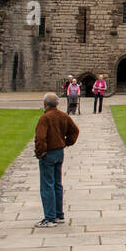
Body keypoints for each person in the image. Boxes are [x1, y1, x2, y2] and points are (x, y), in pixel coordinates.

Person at [34, 92, 78, 227]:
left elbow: (41, 138)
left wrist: (40, 152)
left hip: (49, 153)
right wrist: (66, 143)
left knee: (47, 185)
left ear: (45, 104)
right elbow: (74, 131)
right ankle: (59, 214)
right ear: (57, 104)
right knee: (57, 183)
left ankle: (50, 217)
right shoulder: (63, 116)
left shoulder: (45, 118)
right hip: (59, 153)